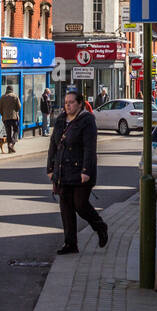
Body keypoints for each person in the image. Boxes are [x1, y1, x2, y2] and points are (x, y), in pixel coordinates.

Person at [46, 89, 108, 255]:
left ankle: (100, 225)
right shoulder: (60, 120)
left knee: (80, 205)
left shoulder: (86, 120)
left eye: (71, 102)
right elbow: (53, 145)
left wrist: (86, 170)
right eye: (66, 102)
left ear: (80, 104)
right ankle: (70, 244)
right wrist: (50, 169)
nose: (68, 105)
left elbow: (90, 148)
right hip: (62, 170)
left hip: (80, 170)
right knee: (66, 208)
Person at [0, 85, 21, 152]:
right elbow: (19, 106)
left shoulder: (2, 97)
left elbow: (0, 109)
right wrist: (16, 111)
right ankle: (12, 144)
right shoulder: (15, 96)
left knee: (8, 133)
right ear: (12, 90)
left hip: (6, 118)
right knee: (16, 130)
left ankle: (9, 149)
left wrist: (3, 115)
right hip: (13, 117)